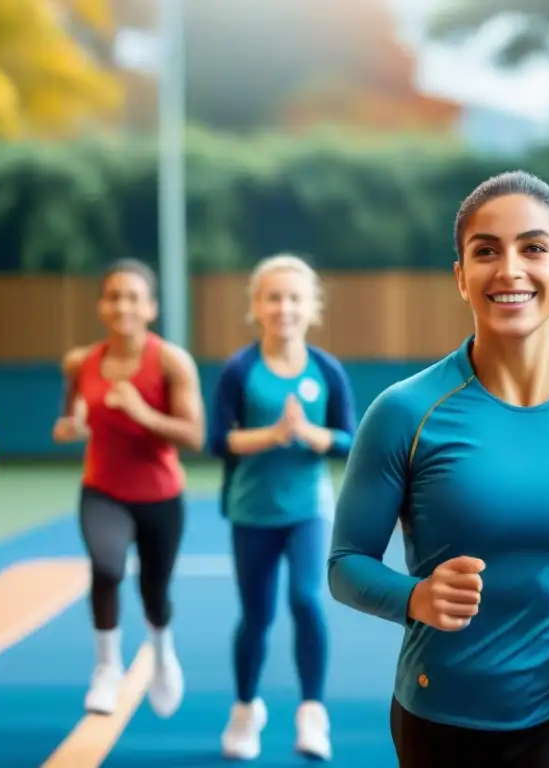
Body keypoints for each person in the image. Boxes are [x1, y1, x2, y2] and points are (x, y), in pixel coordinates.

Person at [328, 171, 549, 768]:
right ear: (461, 277)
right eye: (486, 251)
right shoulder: (404, 413)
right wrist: (417, 597)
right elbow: (345, 565)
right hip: (444, 716)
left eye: (533, 248)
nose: (509, 270)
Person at [207, 254, 356, 763]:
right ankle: (245, 710)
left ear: (311, 307)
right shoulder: (240, 370)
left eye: (294, 298)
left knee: (306, 600)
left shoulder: (327, 371)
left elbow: (348, 439)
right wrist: (273, 434)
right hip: (252, 511)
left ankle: (312, 712)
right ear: (256, 306)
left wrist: (314, 435)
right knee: (256, 616)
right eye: (273, 297)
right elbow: (218, 441)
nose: (284, 307)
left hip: (308, 510)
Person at [52, 259, 204, 720]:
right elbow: (70, 417)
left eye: (134, 297)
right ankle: (106, 668)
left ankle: (162, 653)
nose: (123, 306)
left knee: (154, 589)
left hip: (160, 496)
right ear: (102, 306)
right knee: (106, 567)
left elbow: (194, 437)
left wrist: (140, 411)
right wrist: (69, 426)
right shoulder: (81, 362)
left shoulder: (171, 361)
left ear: (151, 307)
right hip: (103, 490)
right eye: (114, 296)